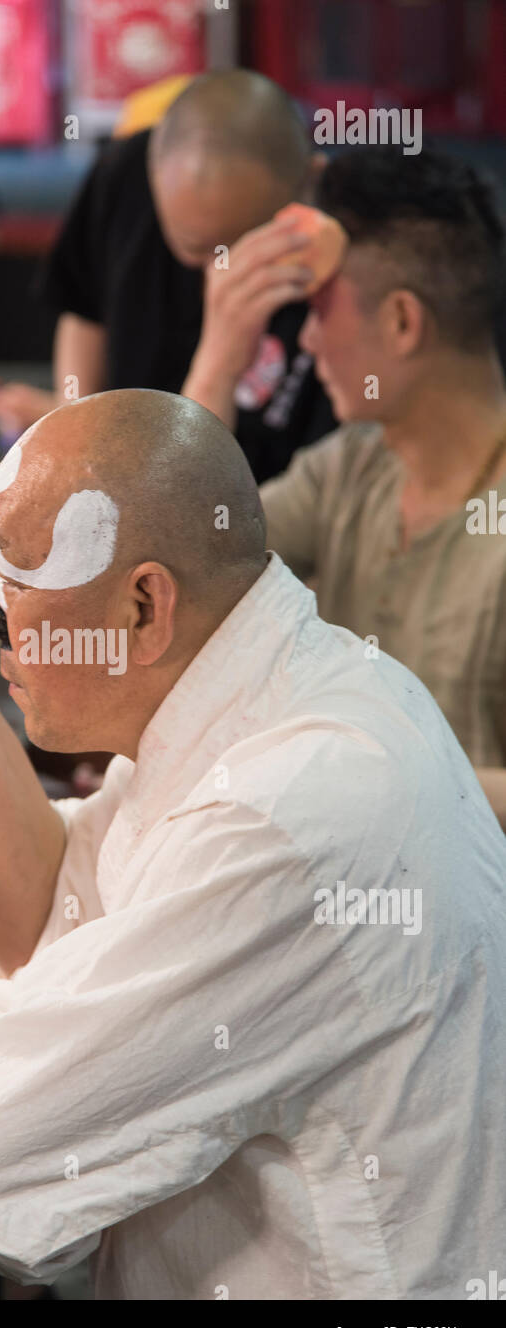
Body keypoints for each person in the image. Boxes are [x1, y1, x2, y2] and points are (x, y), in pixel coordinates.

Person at [0, 389, 506, 1300]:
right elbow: (49, 915)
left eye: (16, 580)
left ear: (143, 607)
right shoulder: (263, 692)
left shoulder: (287, 815)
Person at [260, 147, 506, 826]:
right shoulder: (346, 469)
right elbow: (182, 549)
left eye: (319, 308)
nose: (306, 340)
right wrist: (220, 350)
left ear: (401, 321)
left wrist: (375, 778)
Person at [0, 71, 336, 484]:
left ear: (309, 185)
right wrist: (76, 421)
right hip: (124, 467)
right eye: (197, 248)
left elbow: (188, 495)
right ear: (152, 174)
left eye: (249, 245)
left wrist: (221, 360)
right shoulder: (122, 176)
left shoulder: (336, 256)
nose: (222, 271)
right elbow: (84, 307)